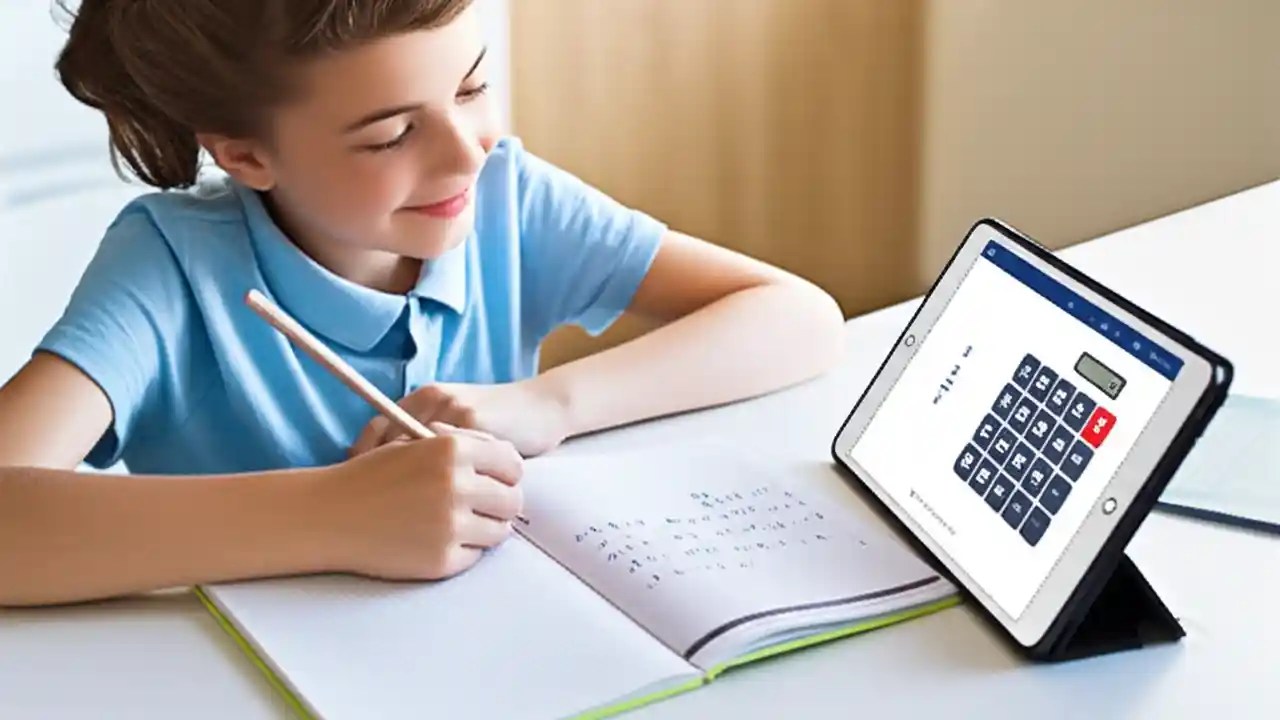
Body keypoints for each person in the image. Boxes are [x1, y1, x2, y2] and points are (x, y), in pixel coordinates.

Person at [0, 0, 845, 607]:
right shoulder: (168, 263)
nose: (463, 157)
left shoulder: (510, 202)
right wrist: (336, 515)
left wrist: (545, 403)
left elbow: (797, 316)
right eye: (391, 135)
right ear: (248, 155)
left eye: (472, 90)